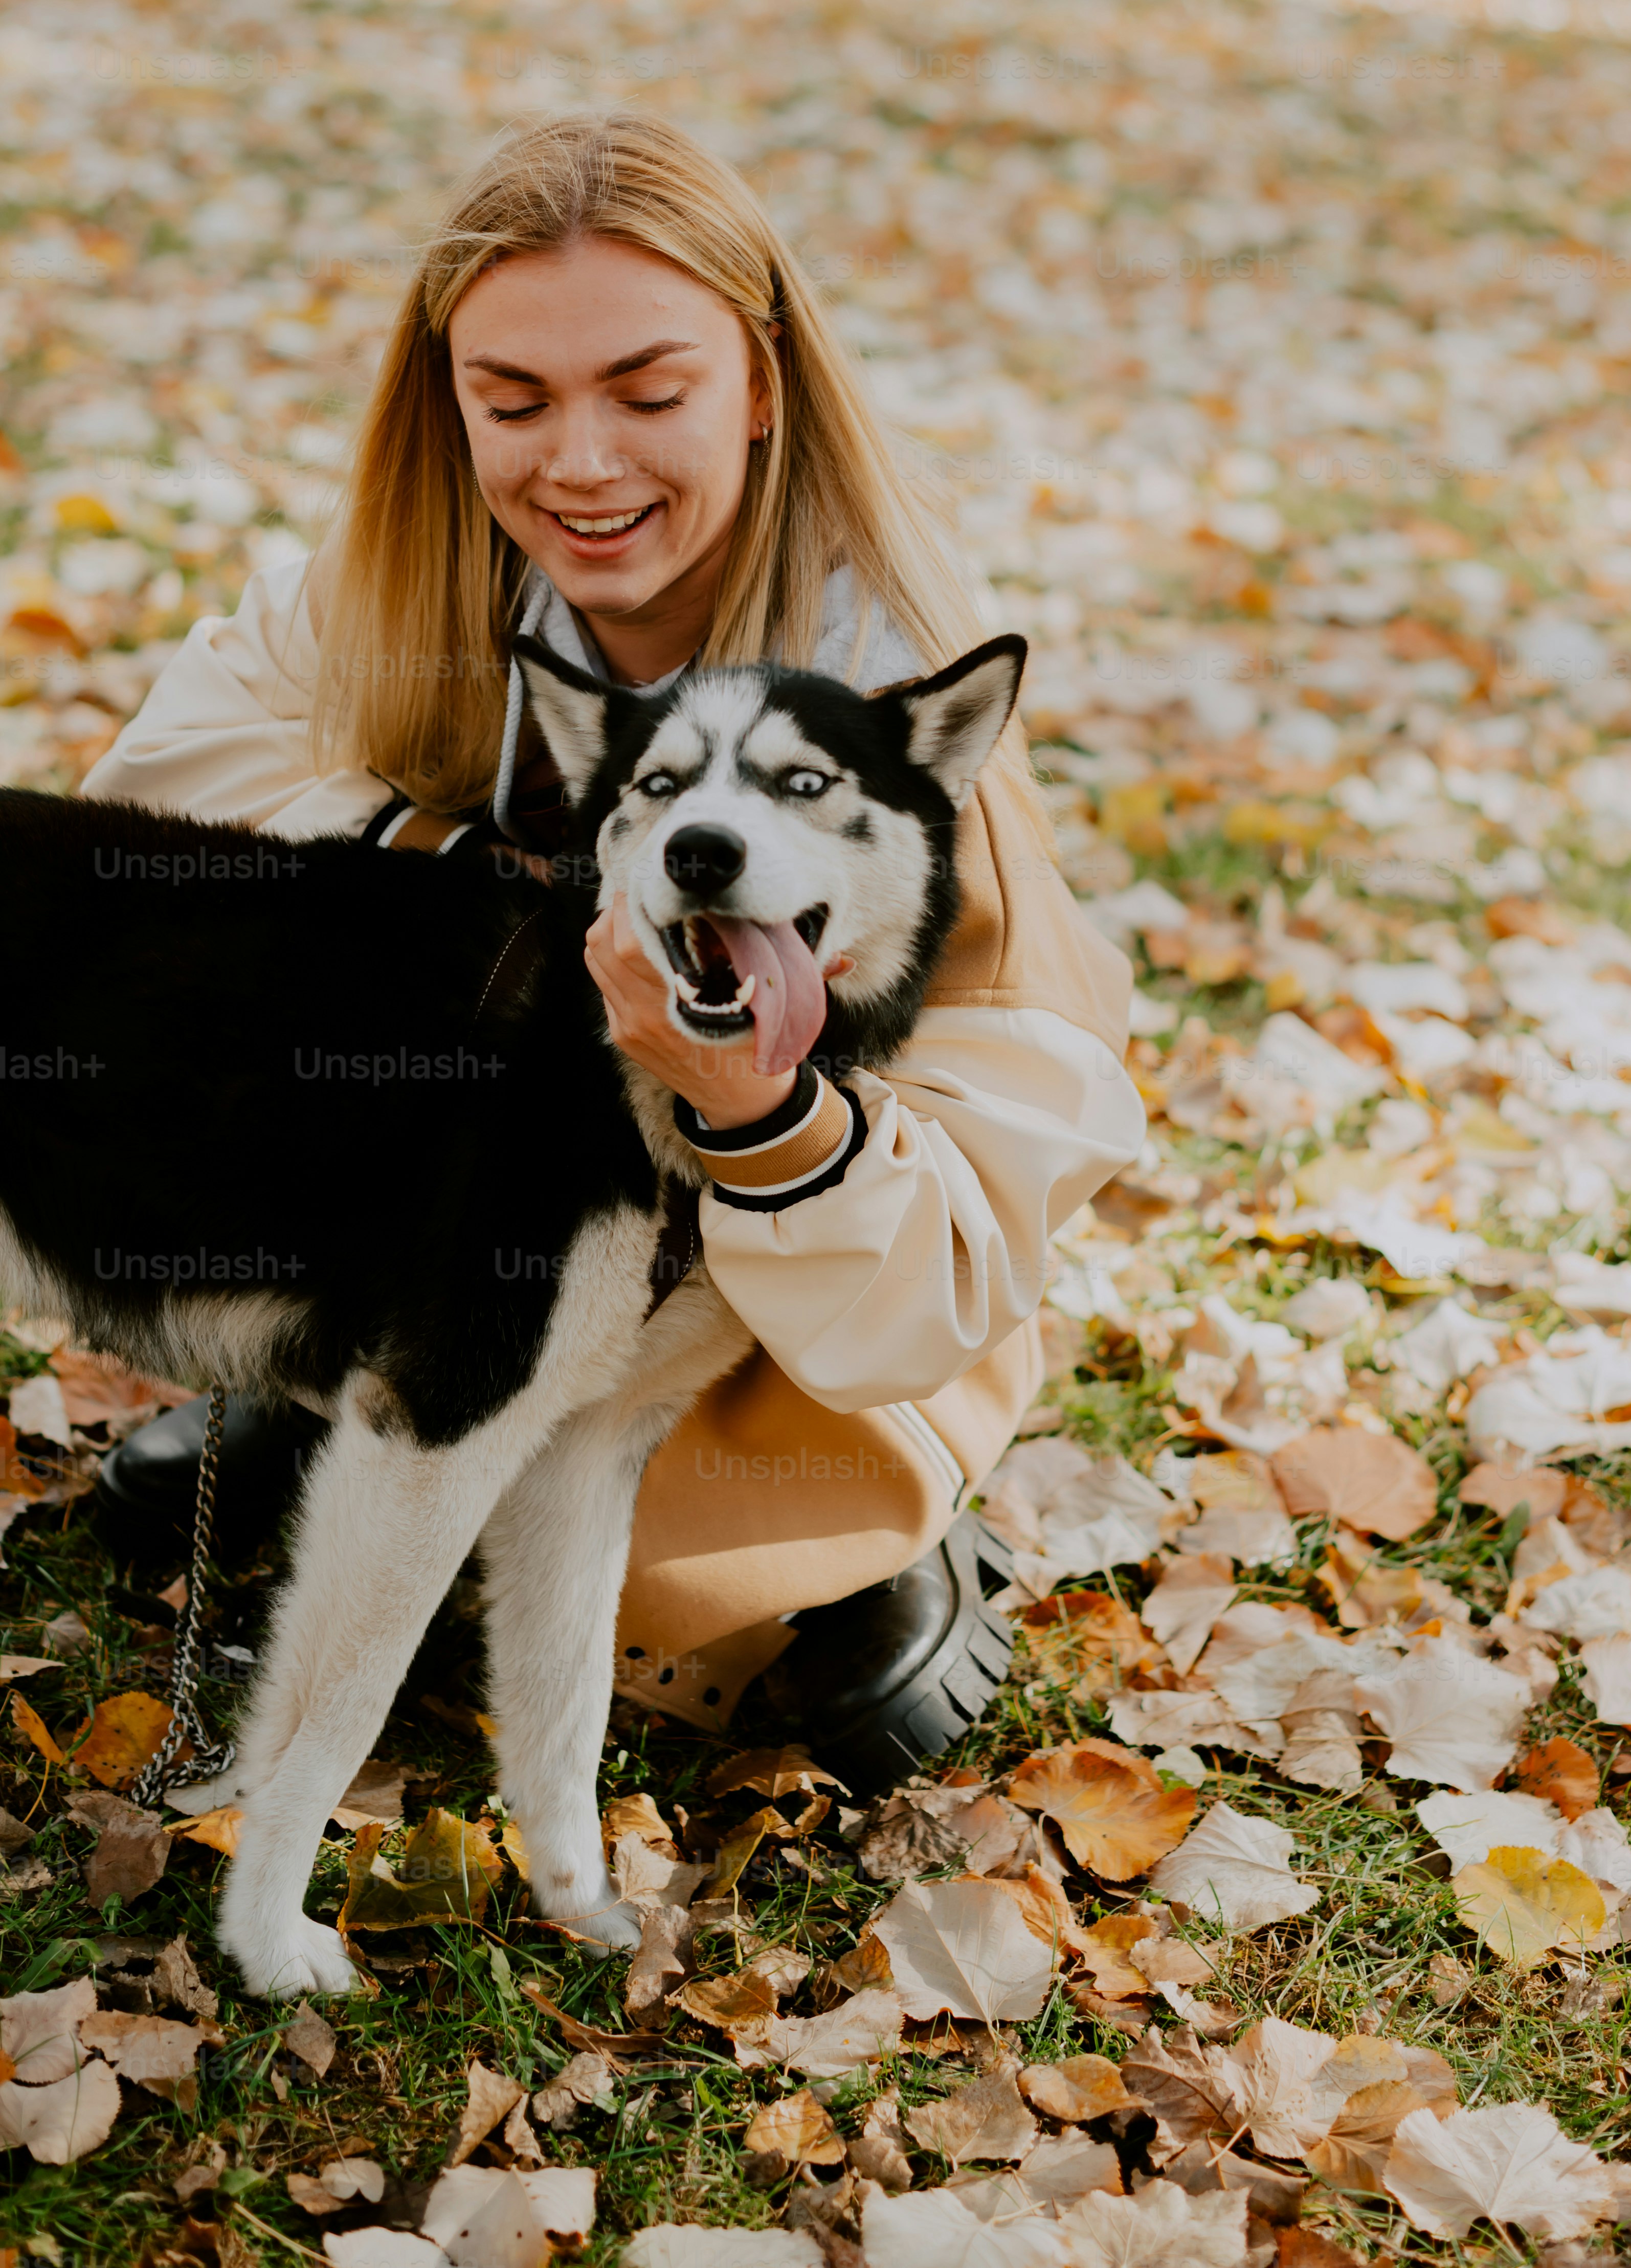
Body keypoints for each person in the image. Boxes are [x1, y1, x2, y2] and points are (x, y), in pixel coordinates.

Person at [85, 112, 1145, 1787]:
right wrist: (459, 884)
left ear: (763, 380)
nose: (576, 462)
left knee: (657, 1600)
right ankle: (330, 1392)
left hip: (769, 1316)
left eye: (647, 394)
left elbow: (950, 1241)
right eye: (513, 401)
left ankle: (859, 1547)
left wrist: (763, 1109)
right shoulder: (397, 594)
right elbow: (147, 842)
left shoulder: (903, 734)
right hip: (475, 1213)